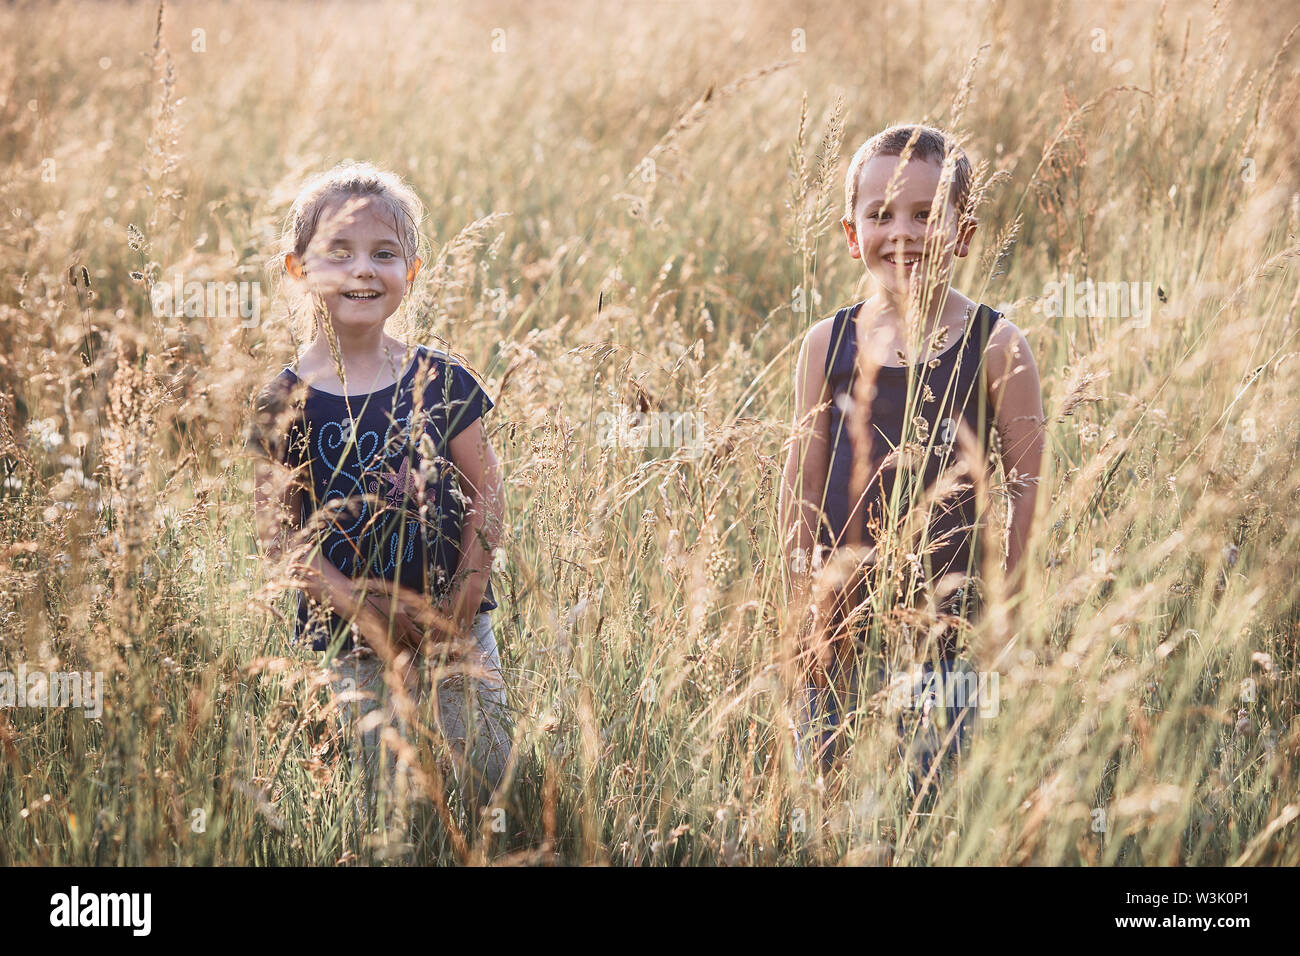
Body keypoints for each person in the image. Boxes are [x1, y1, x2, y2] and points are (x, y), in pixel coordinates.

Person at [244, 161, 511, 857]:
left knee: (482, 780)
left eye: (383, 253)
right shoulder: (282, 399)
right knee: (378, 801)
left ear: (412, 272)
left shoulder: (439, 379)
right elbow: (280, 535)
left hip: (457, 631)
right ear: (297, 269)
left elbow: (487, 491)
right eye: (339, 251)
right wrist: (356, 609)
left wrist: (462, 596)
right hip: (345, 644)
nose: (363, 269)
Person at [778, 125, 1046, 784]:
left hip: (951, 636)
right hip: (839, 632)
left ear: (964, 233)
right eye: (881, 214)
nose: (902, 232)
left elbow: (1030, 482)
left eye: (925, 215)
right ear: (850, 233)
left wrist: (1006, 608)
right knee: (832, 793)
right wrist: (798, 608)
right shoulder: (826, 343)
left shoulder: (995, 343)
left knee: (936, 800)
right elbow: (802, 486)